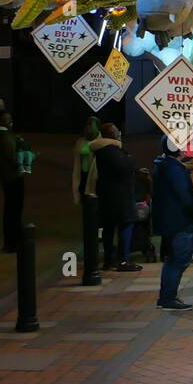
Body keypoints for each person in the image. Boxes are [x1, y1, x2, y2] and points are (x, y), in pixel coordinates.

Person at [152, 135, 193, 310]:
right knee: (179, 259)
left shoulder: (163, 165)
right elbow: (185, 197)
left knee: (172, 259)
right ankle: (167, 298)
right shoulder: (175, 170)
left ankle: (167, 296)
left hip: (170, 220)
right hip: (179, 221)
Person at [87, 123, 142, 272]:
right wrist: (130, 159)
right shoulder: (111, 150)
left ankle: (108, 260)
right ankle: (123, 260)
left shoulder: (102, 150)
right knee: (126, 224)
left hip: (108, 195)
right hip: (120, 196)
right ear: (112, 134)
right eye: (117, 131)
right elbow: (124, 167)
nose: (120, 133)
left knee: (109, 228)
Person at [0, 108, 27, 253]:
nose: (10, 121)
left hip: (7, 176)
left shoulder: (1, 135)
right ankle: (13, 241)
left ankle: (12, 240)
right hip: (12, 176)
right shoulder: (3, 136)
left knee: (11, 209)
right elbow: (12, 157)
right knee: (14, 209)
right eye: (6, 119)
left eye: (10, 118)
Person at [72, 116, 102, 286]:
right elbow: (76, 161)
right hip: (83, 177)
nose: (89, 128)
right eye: (87, 124)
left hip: (94, 179)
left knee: (95, 213)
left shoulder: (101, 142)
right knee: (87, 212)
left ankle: (93, 260)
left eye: (92, 125)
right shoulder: (80, 142)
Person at [133, 168, 156, 262]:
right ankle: (145, 246)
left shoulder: (135, 182)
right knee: (145, 229)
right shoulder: (147, 183)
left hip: (135, 206)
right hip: (143, 207)